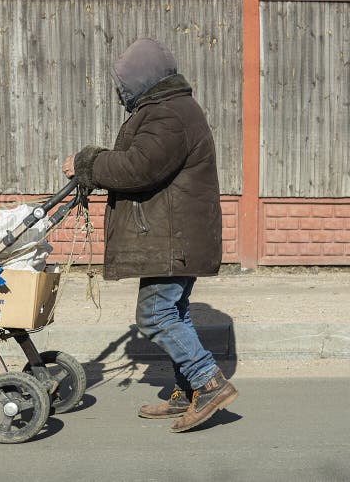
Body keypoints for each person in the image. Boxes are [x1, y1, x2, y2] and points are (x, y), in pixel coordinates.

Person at [62, 38, 238, 433]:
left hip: (172, 237)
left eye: (123, 83)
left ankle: (209, 383)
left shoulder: (168, 114)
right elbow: (141, 163)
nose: (120, 91)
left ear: (141, 79)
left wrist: (87, 163)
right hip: (173, 235)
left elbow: (139, 167)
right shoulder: (169, 108)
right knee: (174, 312)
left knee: (155, 314)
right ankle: (187, 390)